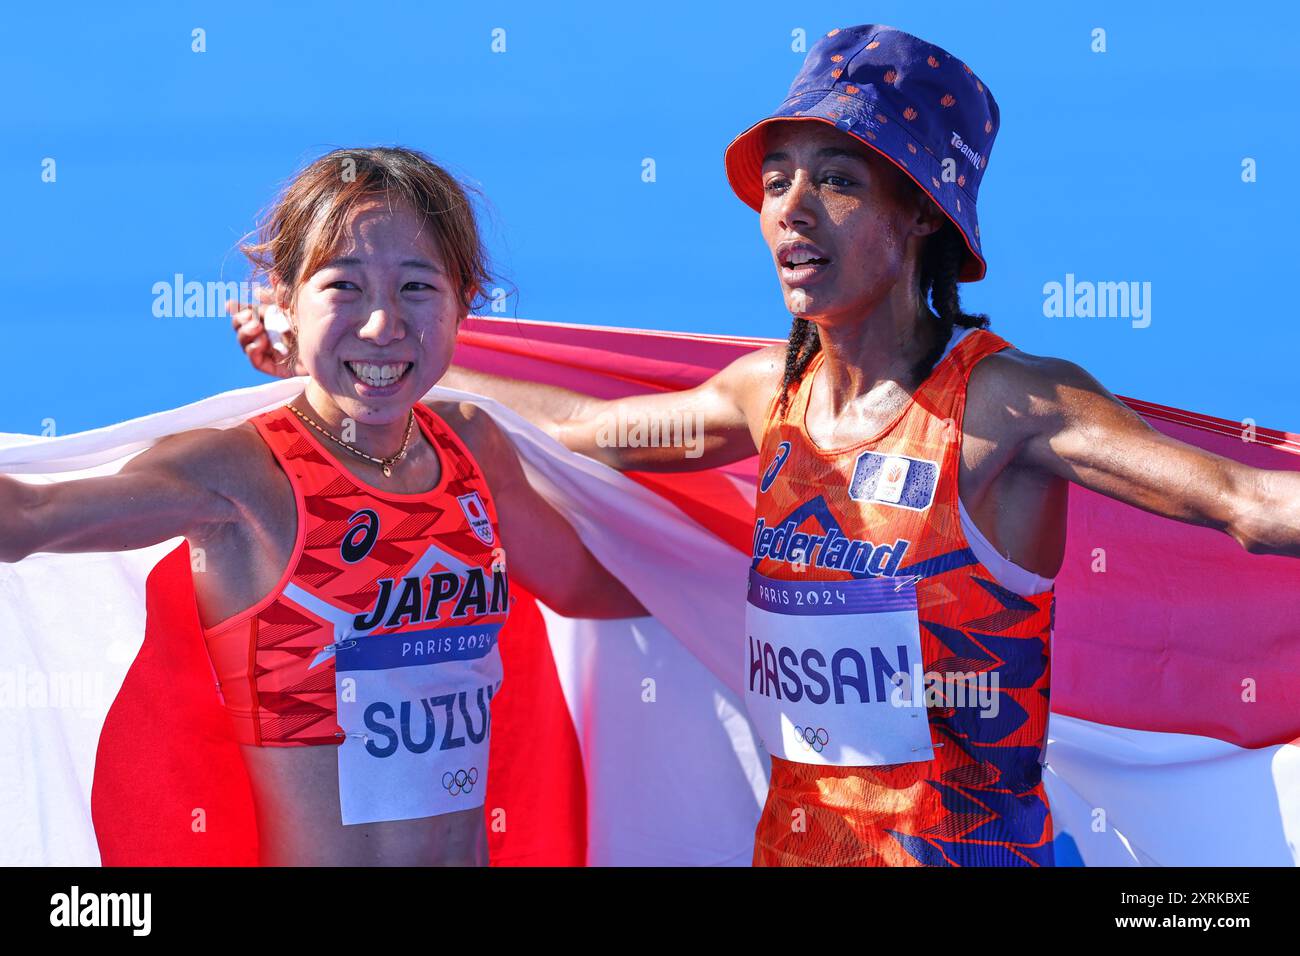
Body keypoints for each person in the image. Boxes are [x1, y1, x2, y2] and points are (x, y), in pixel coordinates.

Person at [233, 27, 1300, 867]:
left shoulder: (1006, 405)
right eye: (776, 178)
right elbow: (570, 432)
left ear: (922, 210)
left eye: (836, 177)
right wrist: (372, 358)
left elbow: (1252, 507)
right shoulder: (764, 393)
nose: (791, 208)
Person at [0, 146, 645, 866]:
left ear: (466, 301)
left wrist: (759, 579)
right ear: (283, 299)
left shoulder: (473, 452)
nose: (381, 324)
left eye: (417, 288)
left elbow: (593, 587)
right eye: (344, 286)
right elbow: (24, 517)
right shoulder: (240, 474)